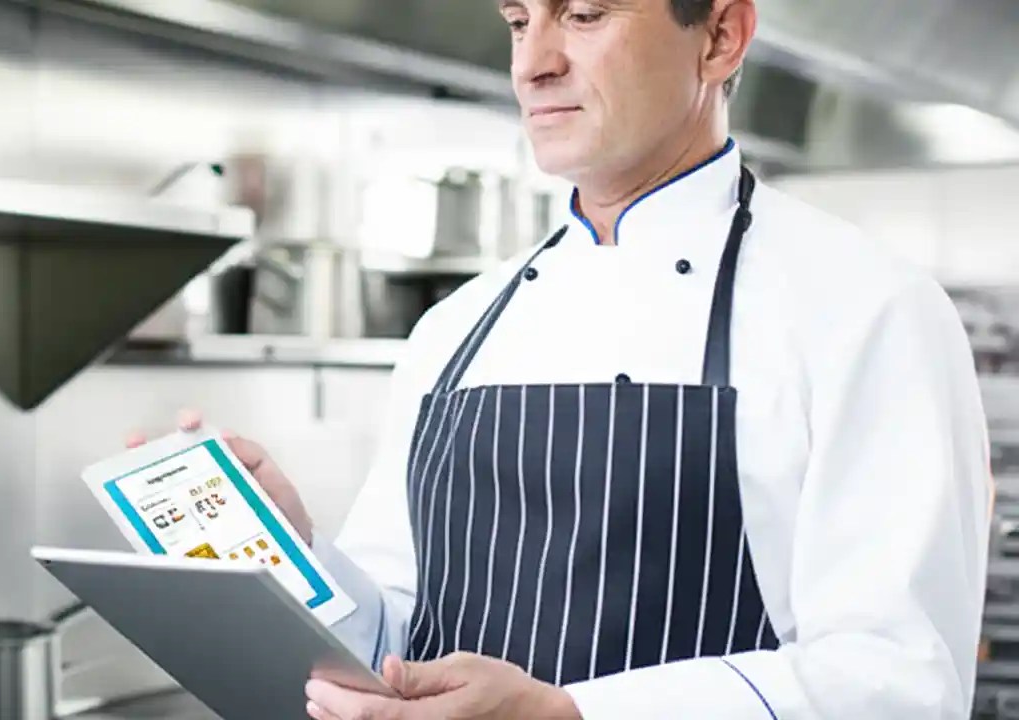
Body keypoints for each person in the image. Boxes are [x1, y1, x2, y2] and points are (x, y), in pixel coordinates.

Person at [148, 0, 993, 717]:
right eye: (520, 20)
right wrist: (292, 555)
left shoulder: (867, 309)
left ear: (721, 36)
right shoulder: (458, 325)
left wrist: (575, 713)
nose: (534, 65)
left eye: (584, 15)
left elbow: (898, 682)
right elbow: (398, 639)